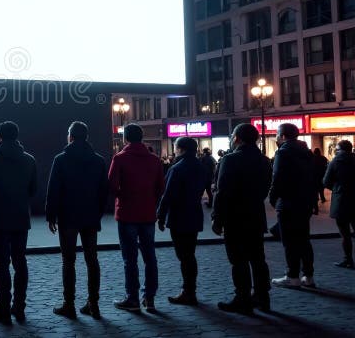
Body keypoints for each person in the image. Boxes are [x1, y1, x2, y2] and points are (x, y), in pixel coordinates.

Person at [45, 121, 108, 319]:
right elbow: (103, 191)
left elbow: (53, 190)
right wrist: (98, 212)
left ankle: (69, 304)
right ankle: (93, 303)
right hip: (90, 216)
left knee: (68, 261)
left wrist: (51, 215)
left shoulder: (61, 159)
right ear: (86, 137)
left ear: (70, 136)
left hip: (68, 216)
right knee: (92, 260)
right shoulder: (98, 160)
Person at [0, 121, 37, 325]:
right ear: (17, 136)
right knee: (20, 262)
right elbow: (33, 190)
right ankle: (19, 307)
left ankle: (3, 306)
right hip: (21, 217)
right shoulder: (30, 160)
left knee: (1, 264)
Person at [212, 123, 272, 314]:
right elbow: (266, 187)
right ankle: (262, 296)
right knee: (258, 258)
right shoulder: (264, 160)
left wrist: (217, 218)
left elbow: (223, 192)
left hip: (235, 217)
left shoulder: (230, 159)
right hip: (255, 214)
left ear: (237, 137)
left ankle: (242, 297)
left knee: (238, 260)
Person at [108, 123, 164, 312]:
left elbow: (112, 185)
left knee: (129, 258)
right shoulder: (155, 160)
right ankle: (150, 298)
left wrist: (124, 196)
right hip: (147, 214)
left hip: (127, 213)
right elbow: (160, 187)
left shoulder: (120, 158)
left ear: (126, 139)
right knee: (150, 257)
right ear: (142, 138)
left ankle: (132, 297)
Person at [157, 137, 207, 306]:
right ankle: (190, 290)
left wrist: (161, 215)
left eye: (176, 147)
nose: (175, 150)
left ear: (181, 149)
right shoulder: (200, 166)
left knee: (184, 255)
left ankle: (188, 292)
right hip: (194, 213)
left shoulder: (177, 168)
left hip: (179, 216)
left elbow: (168, 195)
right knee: (190, 254)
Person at [270, 123, 317, 289]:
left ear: (282, 136)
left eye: (277, 133)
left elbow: (277, 179)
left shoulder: (283, 153)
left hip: (288, 202)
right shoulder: (307, 152)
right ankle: (308, 275)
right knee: (304, 239)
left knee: (289, 241)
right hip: (305, 201)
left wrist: (273, 198)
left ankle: (292, 275)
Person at [323, 140, 355, 268]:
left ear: (339, 149)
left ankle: (348, 259)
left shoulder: (335, 161)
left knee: (345, 234)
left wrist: (337, 188)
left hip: (341, 200)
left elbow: (326, 181)